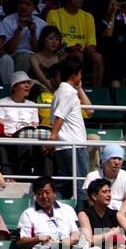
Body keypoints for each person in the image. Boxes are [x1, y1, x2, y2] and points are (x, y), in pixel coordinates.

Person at [17, 175, 85, 249]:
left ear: (54, 193)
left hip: (65, 247)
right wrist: (38, 238)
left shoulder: (67, 209)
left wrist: (66, 242)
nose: (44, 196)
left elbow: (76, 234)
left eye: (47, 192)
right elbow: (20, 242)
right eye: (39, 193)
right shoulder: (28, 213)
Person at [47, 0, 102, 86]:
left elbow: (91, 44)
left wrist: (87, 50)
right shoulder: (54, 14)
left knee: (97, 57)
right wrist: (69, 49)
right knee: (77, 55)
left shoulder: (88, 17)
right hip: (62, 52)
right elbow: (50, 40)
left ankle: (95, 91)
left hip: (82, 52)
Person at [48, 57, 90, 186]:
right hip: (73, 146)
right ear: (74, 75)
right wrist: (52, 138)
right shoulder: (68, 92)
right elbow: (60, 116)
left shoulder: (61, 91)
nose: (81, 76)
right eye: (80, 73)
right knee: (81, 185)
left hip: (67, 145)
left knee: (67, 186)